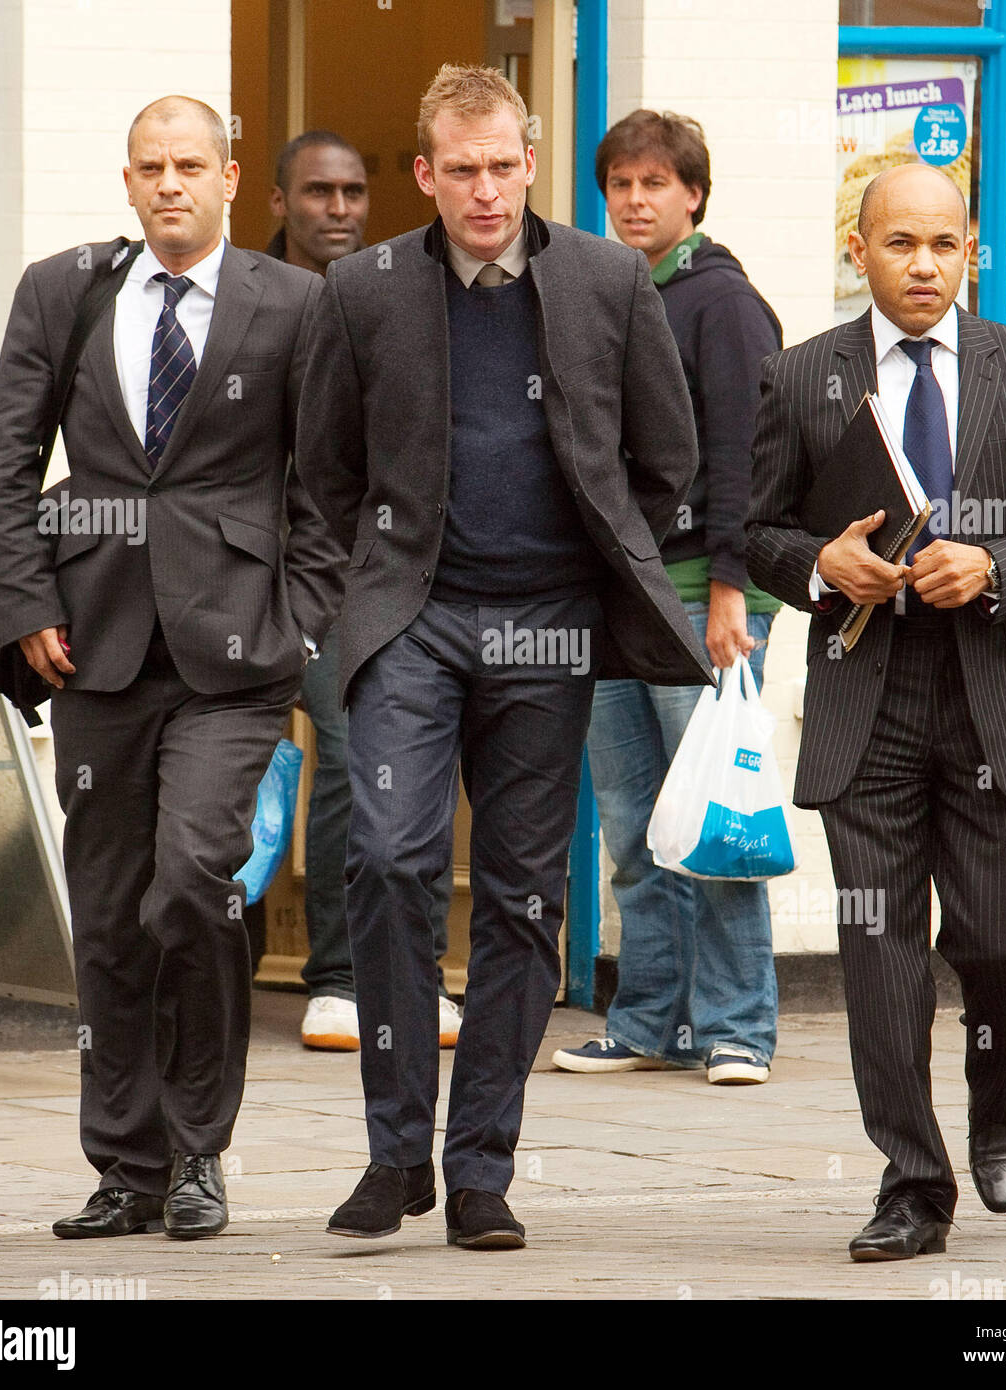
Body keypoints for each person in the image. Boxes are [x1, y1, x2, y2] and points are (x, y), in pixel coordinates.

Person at [296, 64, 708, 1250]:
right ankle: (393, 1157)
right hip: (410, 620)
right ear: (424, 176)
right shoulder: (362, 291)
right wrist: (339, 612)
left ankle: (480, 1169)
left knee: (526, 900)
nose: (484, 190)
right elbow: (318, 480)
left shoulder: (608, 278)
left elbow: (664, 460)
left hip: (550, 628)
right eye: (459, 170)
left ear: (532, 162)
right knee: (387, 857)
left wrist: (585, 576)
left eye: (502, 165)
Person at [0, 96, 337, 1240]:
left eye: (191, 165)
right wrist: (27, 603)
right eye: (151, 167)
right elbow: (8, 457)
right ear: (126, 181)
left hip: (237, 653)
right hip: (94, 644)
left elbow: (330, 482)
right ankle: (124, 1165)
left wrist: (306, 618)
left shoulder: (295, 301)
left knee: (192, 882)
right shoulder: (63, 289)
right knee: (112, 914)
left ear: (231, 178)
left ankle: (198, 1150)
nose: (171, 183)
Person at [746, 162, 1006, 1261]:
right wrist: (825, 566)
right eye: (901, 244)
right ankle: (913, 1180)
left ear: (970, 253)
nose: (923, 265)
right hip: (871, 698)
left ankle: (1000, 1091)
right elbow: (755, 534)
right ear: (859, 251)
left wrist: (995, 567)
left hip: (993, 692)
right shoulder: (800, 377)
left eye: (943, 245)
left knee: (1004, 945)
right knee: (880, 952)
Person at [552, 110, 782, 1086]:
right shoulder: (609, 295)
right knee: (640, 822)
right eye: (621, 184)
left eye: (656, 183)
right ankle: (647, 1019)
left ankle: (738, 1026)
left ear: (694, 194)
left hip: (701, 600)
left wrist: (731, 587)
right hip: (619, 602)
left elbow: (743, 454)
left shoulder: (721, 302)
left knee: (719, 820)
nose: (636, 200)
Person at [263, 128, 460, 1052]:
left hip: (356, 576)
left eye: (351, 192)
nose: (337, 209)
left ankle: (357, 976)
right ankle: (244, 965)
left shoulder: (392, 292)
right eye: (316, 193)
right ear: (276, 203)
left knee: (359, 749)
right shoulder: (248, 297)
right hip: (242, 580)